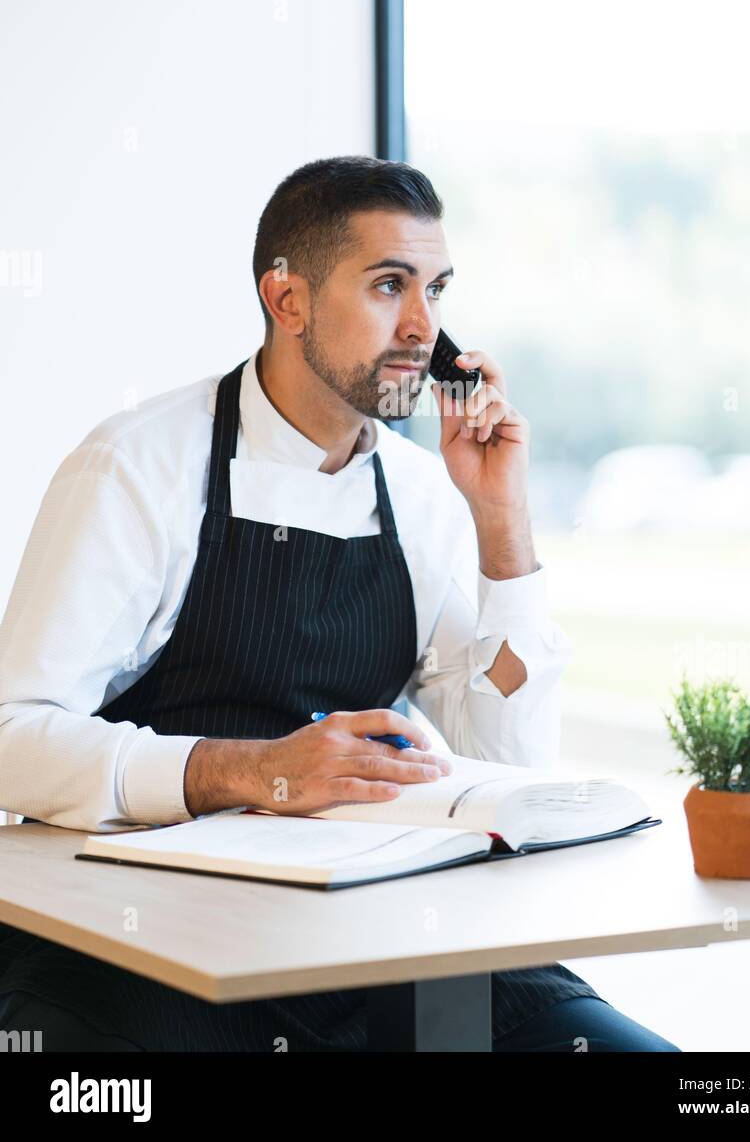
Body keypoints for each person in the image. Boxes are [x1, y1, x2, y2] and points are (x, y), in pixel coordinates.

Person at [0, 155, 681, 1053]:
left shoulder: (426, 492)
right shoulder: (135, 468)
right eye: (388, 286)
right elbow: (13, 738)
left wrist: (501, 523)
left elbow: (502, 762)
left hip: (387, 927)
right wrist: (258, 772)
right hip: (152, 941)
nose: (423, 326)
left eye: (435, 289)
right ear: (286, 299)